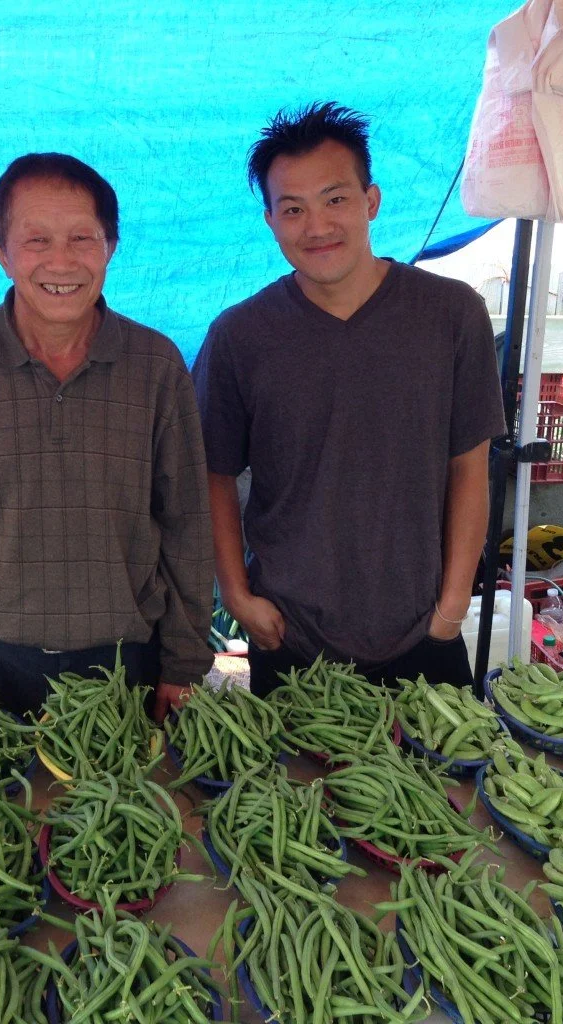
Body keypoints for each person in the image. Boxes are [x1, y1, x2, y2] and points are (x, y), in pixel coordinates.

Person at [192, 102, 506, 698]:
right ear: (270, 220)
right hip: (291, 635)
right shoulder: (240, 335)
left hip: (422, 633)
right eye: (293, 209)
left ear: (371, 201)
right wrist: (237, 596)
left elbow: (470, 467)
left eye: (335, 199)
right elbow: (213, 474)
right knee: (294, 791)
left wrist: (450, 609)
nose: (316, 226)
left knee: (439, 788)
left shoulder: (450, 314)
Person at [0, 153, 215, 721]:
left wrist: (184, 663)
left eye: (82, 238)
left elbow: (186, 525)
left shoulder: (156, 366)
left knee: (123, 805)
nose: (61, 261)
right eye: (36, 239)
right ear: (1, 253)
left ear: (110, 247)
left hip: (124, 663)